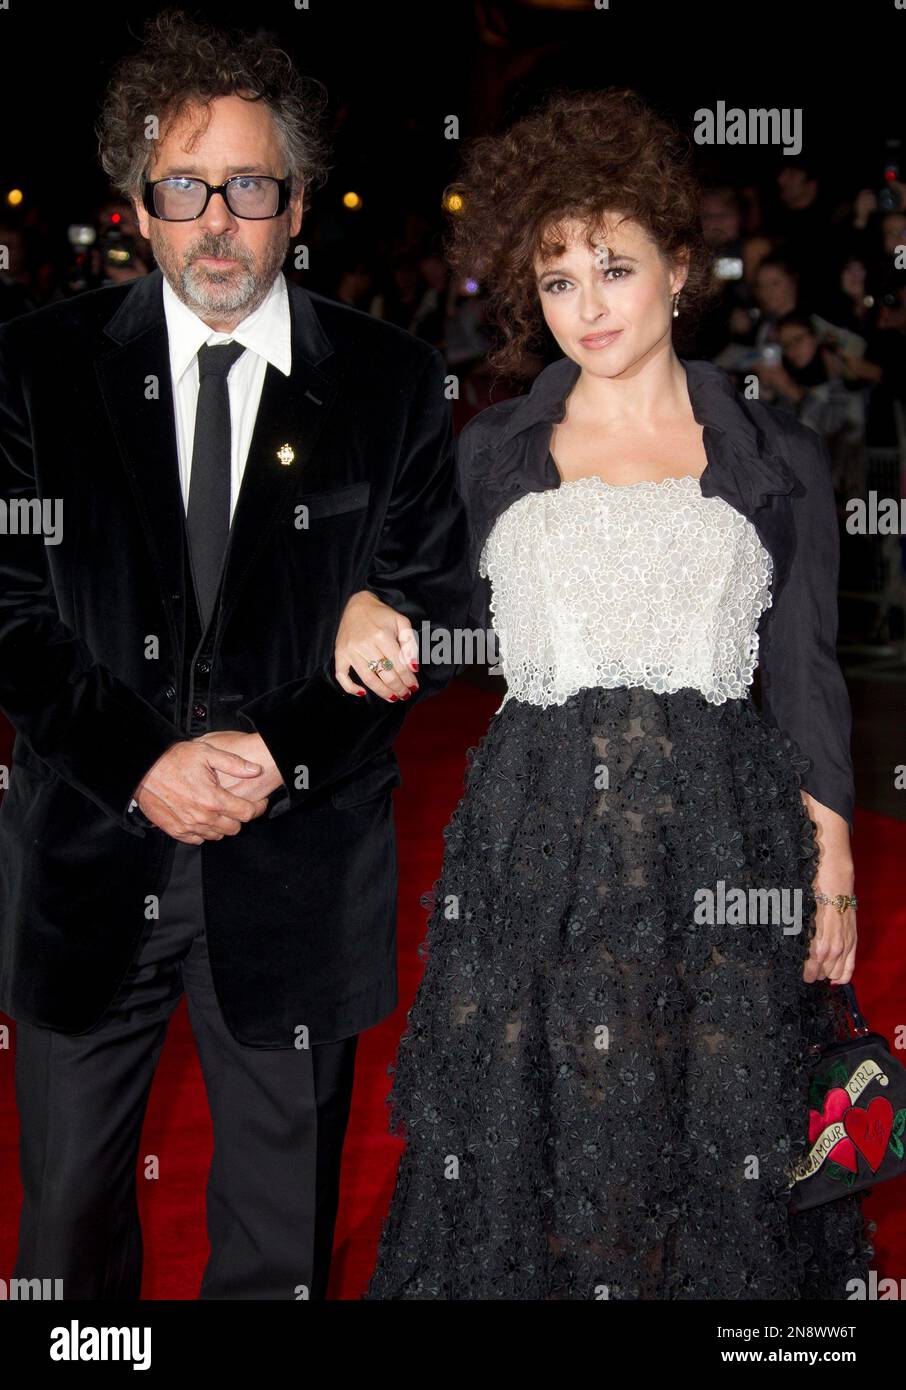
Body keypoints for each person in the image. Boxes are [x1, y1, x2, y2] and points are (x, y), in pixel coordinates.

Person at [344, 88, 873, 1299]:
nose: (586, 306)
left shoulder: (771, 451)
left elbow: (803, 666)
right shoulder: (494, 452)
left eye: (615, 269)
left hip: (724, 845)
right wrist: (364, 606)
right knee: (543, 1143)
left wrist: (831, 852)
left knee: (719, 1145)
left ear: (682, 270)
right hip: (535, 855)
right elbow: (430, 601)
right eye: (558, 278)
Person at [0, 8, 471, 1300]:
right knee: (64, 1239)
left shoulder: (388, 382)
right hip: (91, 861)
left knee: (280, 1250)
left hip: (299, 869)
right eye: (185, 187)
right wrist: (142, 761)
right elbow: (8, 619)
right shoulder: (33, 372)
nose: (218, 219)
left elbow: (430, 605)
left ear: (296, 202)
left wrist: (276, 748)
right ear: (138, 204)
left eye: (249, 186)